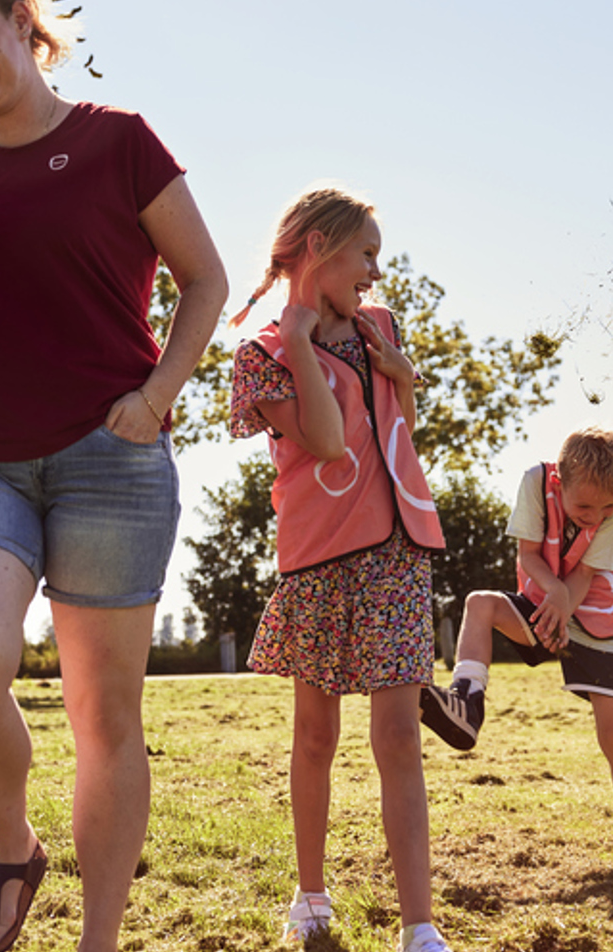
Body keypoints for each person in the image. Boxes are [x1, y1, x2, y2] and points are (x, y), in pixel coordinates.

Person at [0, 0, 228, 952]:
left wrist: (161, 394)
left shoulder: (120, 142)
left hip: (109, 460)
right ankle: (13, 845)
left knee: (103, 716)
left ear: (24, 25)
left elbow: (203, 281)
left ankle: (100, 940)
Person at [228, 187, 454, 952]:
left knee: (397, 735)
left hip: (397, 551)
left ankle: (418, 925)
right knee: (315, 734)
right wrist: (296, 342)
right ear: (320, 249)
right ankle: (311, 896)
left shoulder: (380, 327)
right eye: (366, 256)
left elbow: (397, 436)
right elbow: (326, 443)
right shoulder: (259, 356)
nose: (375, 275)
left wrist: (406, 379)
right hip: (319, 557)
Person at [419, 427, 613, 863]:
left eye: (605, 505)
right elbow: (529, 555)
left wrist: (563, 602)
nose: (596, 514)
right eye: (584, 505)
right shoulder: (535, 481)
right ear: (559, 483)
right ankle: (467, 704)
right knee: (481, 604)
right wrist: (553, 597)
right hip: (544, 604)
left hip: (599, 622)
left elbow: (586, 575)